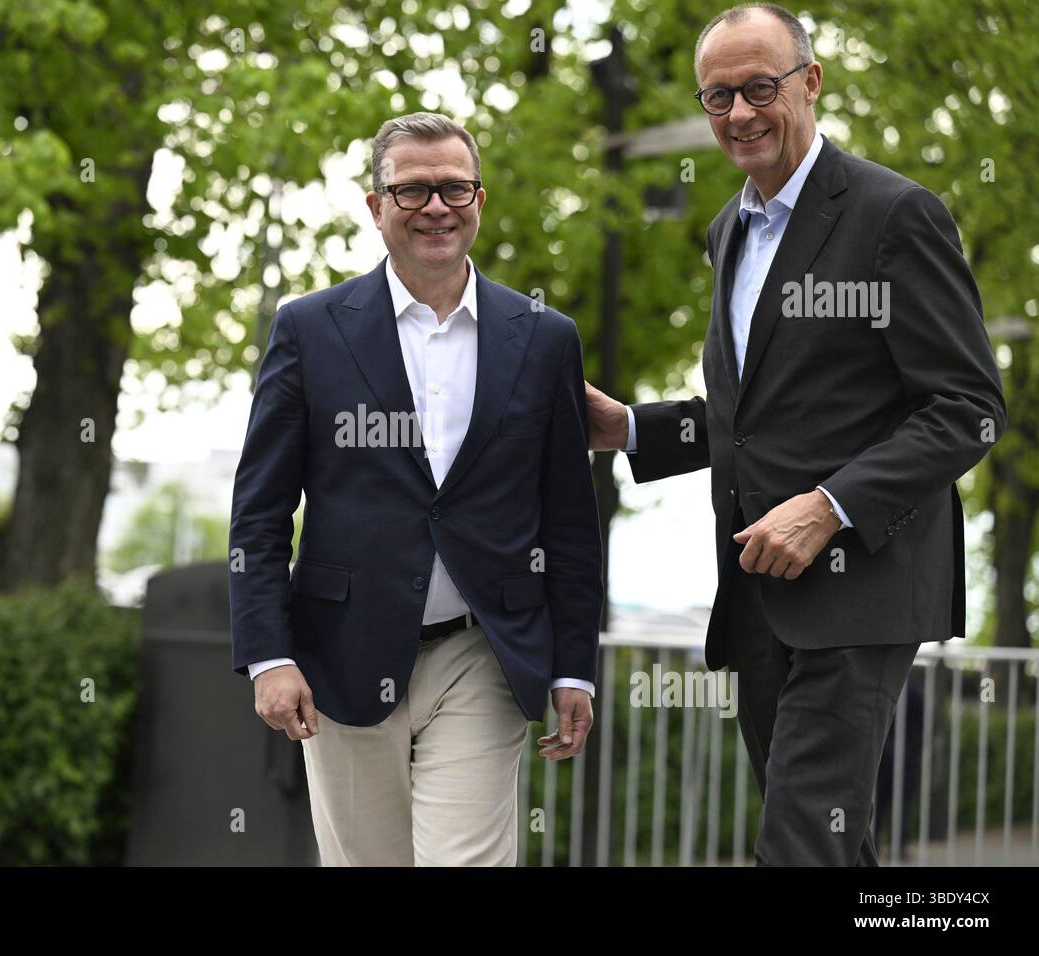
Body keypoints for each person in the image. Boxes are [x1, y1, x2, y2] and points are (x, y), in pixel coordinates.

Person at [585, 4, 1005, 865]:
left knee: (801, 840)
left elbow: (967, 407)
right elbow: (762, 417)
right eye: (716, 96)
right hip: (757, 592)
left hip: (862, 588)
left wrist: (829, 506)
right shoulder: (728, 231)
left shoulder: (895, 214)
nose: (738, 113)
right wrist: (631, 429)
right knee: (825, 840)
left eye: (759, 87)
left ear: (809, 82)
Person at [229, 112, 603, 866]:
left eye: (454, 188)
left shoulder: (545, 337)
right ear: (376, 206)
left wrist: (572, 666)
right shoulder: (309, 329)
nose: (437, 206)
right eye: (413, 191)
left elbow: (568, 518)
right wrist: (269, 655)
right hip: (341, 653)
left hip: (481, 655)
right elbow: (262, 510)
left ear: (479, 199)